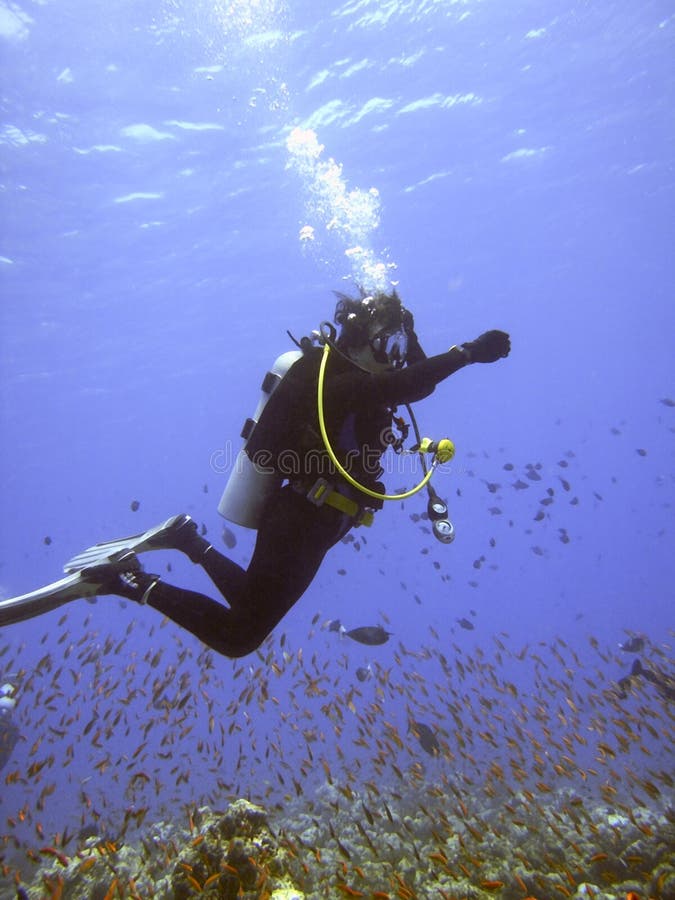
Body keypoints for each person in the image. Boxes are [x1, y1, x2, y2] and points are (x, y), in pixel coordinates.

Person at [0, 289, 510, 658]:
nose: (395, 359)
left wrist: (408, 330)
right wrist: (465, 353)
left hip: (323, 523)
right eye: (386, 346)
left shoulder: (370, 373)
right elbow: (408, 385)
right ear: (358, 341)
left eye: (398, 348)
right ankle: (128, 582)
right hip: (300, 518)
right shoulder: (330, 376)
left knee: (248, 604)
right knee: (239, 637)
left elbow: (414, 381)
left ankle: (186, 540)